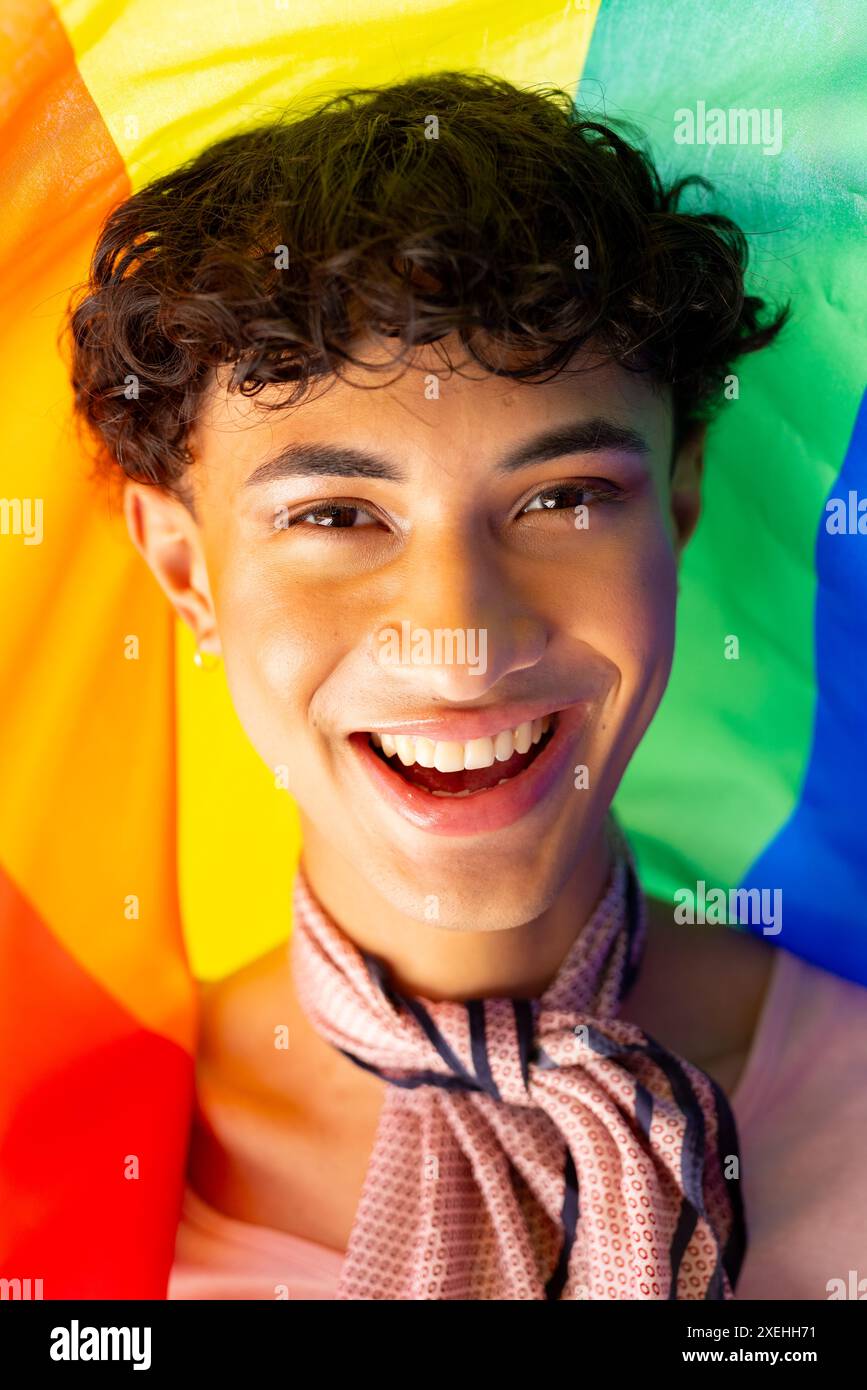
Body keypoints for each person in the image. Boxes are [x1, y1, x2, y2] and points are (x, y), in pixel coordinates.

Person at [66, 71, 867, 1301]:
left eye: (562, 499)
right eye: (336, 514)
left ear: (681, 501)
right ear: (185, 569)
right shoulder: (60, 1160)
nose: (459, 639)